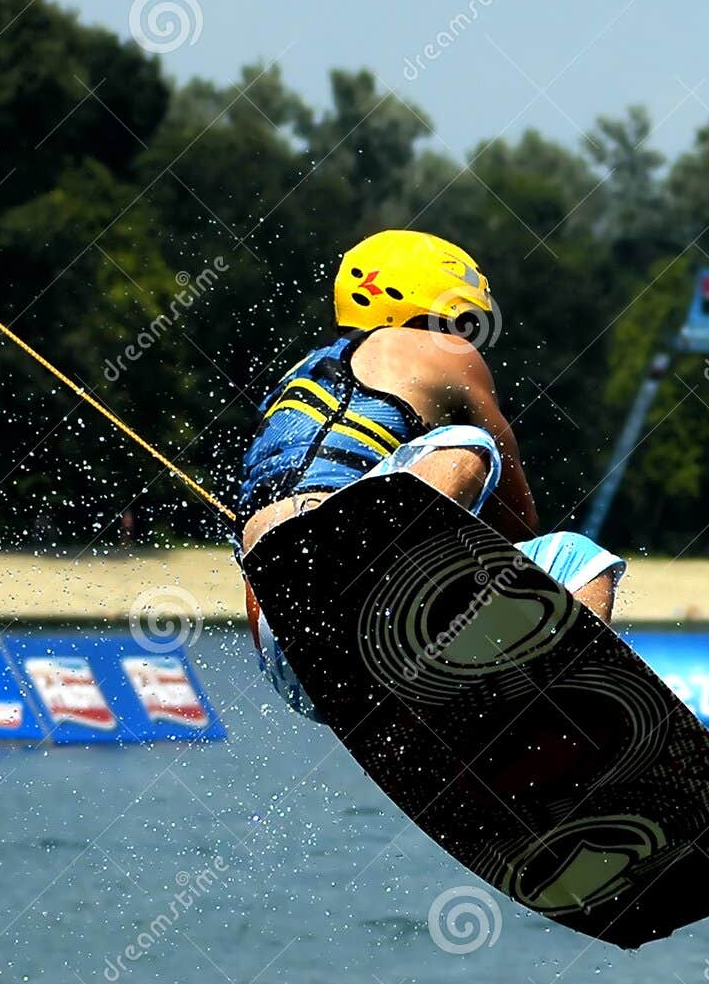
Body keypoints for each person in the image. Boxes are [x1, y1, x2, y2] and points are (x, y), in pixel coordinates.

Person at [237, 229, 626, 720]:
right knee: (575, 552)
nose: (461, 336)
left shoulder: (294, 377)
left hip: (291, 658)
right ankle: (560, 711)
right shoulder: (441, 352)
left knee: (578, 557)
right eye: (458, 318)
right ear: (421, 303)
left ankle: (442, 670)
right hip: (357, 591)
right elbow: (517, 518)